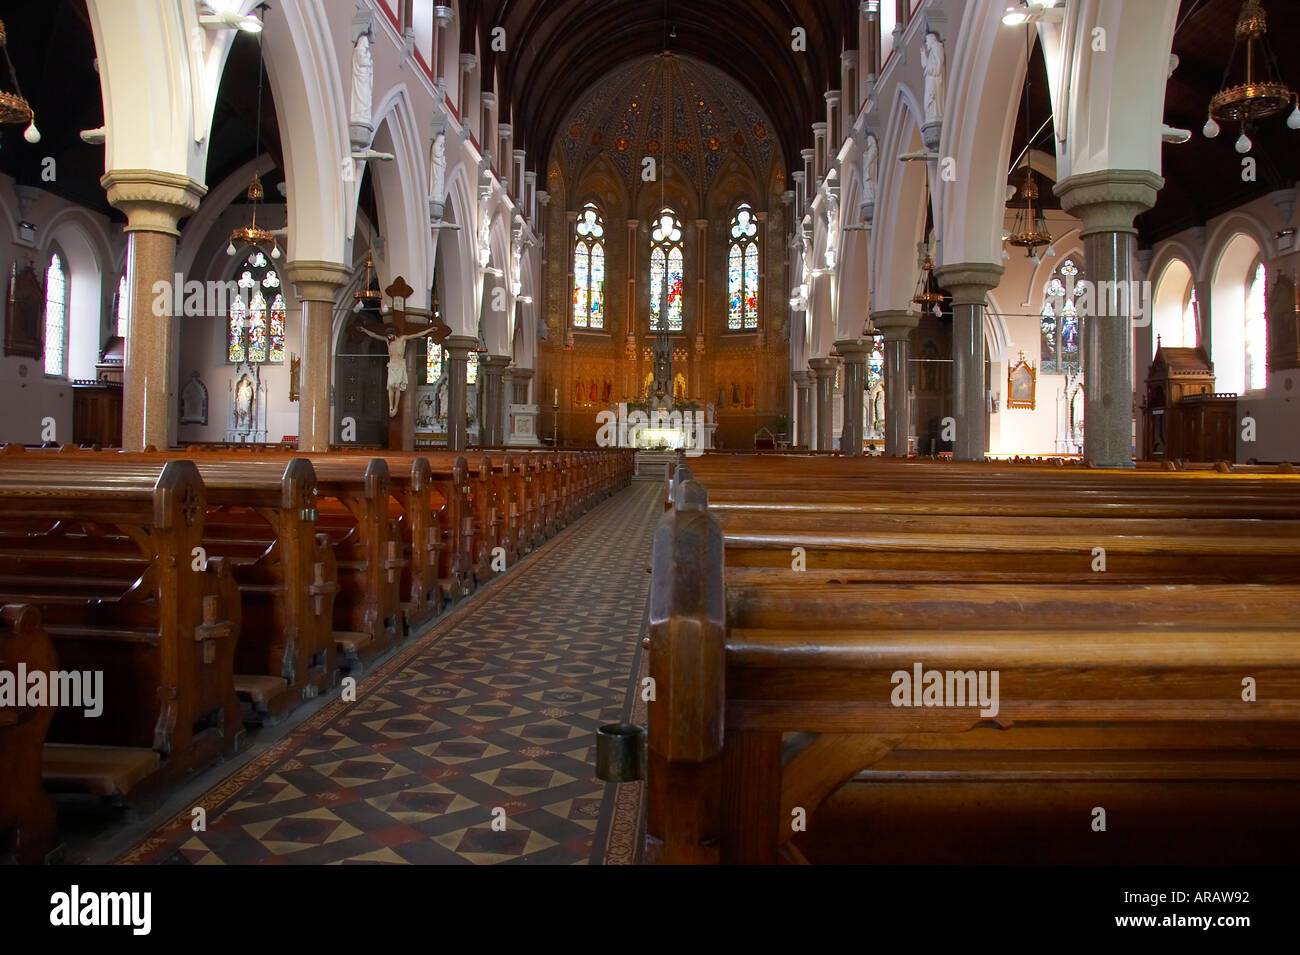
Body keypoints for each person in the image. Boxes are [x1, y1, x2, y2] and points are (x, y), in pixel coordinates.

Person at [359, 323, 441, 417]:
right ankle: (391, 406)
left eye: (390, 335)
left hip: (399, 365)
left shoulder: (402, 339)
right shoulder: (387, 341)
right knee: (390, 386)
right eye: (388, 336)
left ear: (394, 334)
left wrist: (429, 330)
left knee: (397, 387)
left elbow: (417, 334)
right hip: (392, 365)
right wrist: (365, 330)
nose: (389, 337)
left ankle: (396, 407)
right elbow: (375, 336)